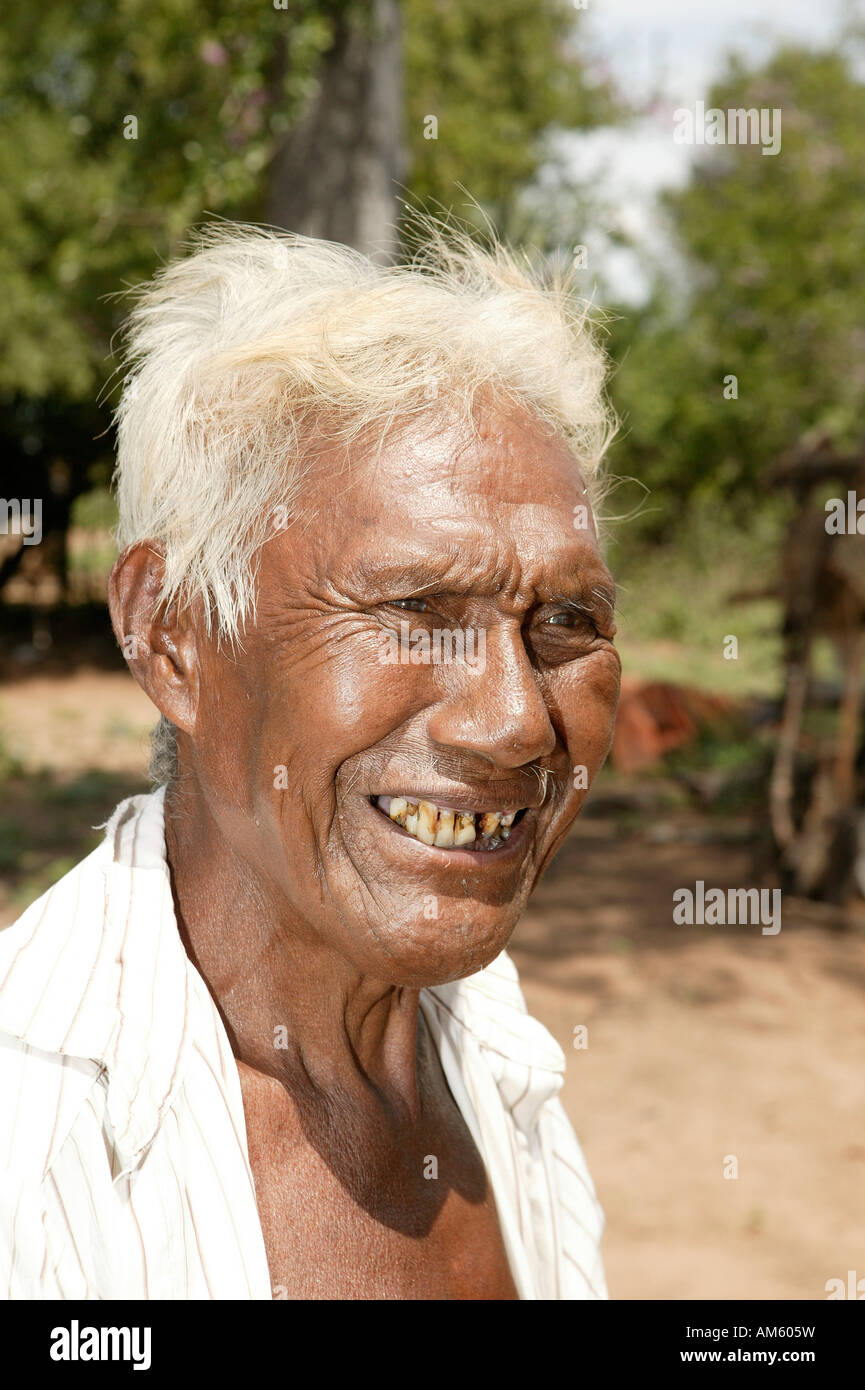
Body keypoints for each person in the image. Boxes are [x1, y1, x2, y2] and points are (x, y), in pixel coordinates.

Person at [0, 222, 620, 1299]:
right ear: (172, 632)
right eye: (416, 606)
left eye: (565, 618)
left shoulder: (492, 1042)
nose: (516, 721)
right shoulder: (35, 1148)